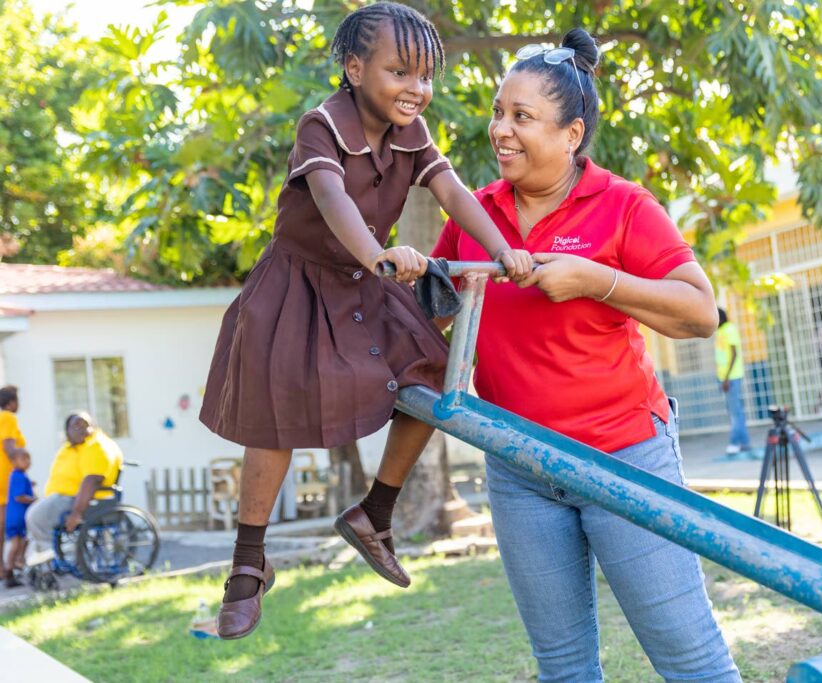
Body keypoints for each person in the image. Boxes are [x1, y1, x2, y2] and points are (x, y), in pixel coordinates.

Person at [197, 2, 531, 640]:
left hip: (366, 282)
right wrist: (380, 256)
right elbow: (332, 199)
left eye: (425, 75)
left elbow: (453, 193)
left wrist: (503, 249)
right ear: (354, 69)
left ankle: (375, 512)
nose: (416, 88)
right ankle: (247, 564)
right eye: (400, 72)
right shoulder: (321, 125)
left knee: (433, 373)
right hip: (299, 284)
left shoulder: (412, 132)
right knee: (275, 410)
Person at [432, 28, 740, 682]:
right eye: (498, 112)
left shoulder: (623, 205)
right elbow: (430, 316)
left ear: (572, 134)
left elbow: (699, 312)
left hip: (624, 455)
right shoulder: (474, 213)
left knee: (690, 659)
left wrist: (596, 280)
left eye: (521, 117)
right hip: (518, 464)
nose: (500, 130)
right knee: (564, 667)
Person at [25, 413, 122, 559]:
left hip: (82, 500)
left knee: (36, 516)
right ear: (67, 431)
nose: (81, 429)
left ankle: (51, 557)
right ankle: (42, 556)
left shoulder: (97, 445)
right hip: (62, 497)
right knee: (28, 516)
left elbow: (92, 480)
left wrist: (76, 513)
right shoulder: (72, 447)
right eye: (76, 425)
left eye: (85, 425)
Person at [0, 385, 29, 584]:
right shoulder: (8, 417)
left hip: (7, 477)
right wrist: (21, 470)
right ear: (11, 402)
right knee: (8, 524)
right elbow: (9, 446)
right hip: (7, 477)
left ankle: (5, 567)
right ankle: (8, 567)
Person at [716, 308, 752, 456]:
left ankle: (735, 442)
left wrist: (727, 378)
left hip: (731, 377)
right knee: (735, 412)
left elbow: (734, 354)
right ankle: (744, 442)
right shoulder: (720, 331)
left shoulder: (729, 329)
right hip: (724, 377)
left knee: (735, 413)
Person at [5, 451, 35, 587]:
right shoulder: (18, 476)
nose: (27, 462)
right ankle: (10, 570)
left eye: (28, 458)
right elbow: (19, 497)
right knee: (16, 544)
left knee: (24, 540)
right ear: (14, 462)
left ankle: (18, 564)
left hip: (19, 516)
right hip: (16, 516)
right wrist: (34, 500)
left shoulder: (21, 476)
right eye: (23, 459)